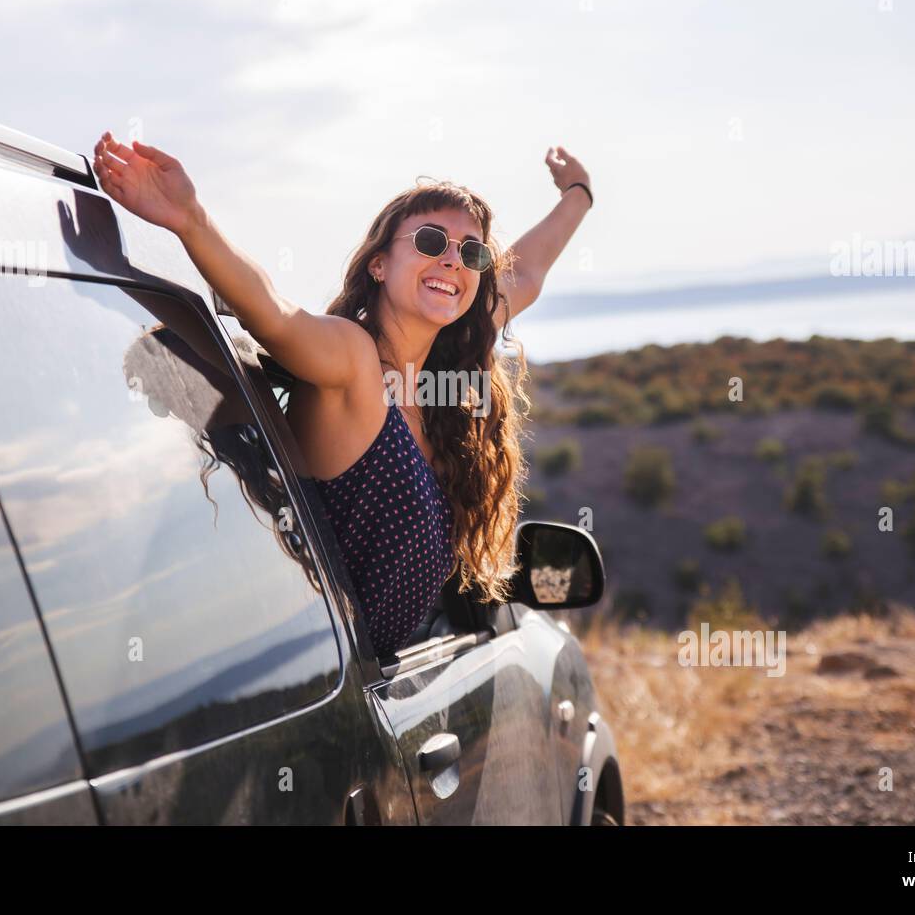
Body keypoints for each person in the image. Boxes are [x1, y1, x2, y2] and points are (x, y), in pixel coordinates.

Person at [92, 130, 592, 656]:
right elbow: (277, 315)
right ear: (379, 264)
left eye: (471, 253)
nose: (452, 261)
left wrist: (578, 191)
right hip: (334, 693)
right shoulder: (353, 360)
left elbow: (527, 273)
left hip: (373, 695)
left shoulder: (442, 369)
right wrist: (192, 220)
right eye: (429, 242)